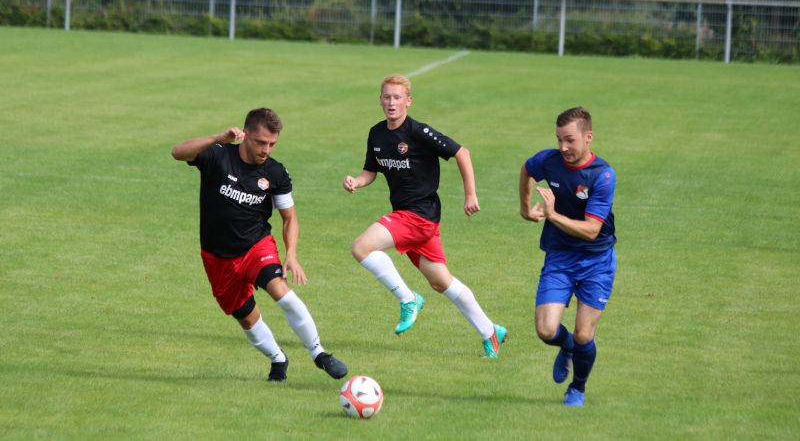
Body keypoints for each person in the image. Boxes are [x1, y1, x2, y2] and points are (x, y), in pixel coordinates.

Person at [171, 107, 347, 382]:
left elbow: (289, 218)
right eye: (261, 142)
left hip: (256, 246)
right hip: (217, 257)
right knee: (246, 317)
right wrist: (218, 137)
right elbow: (177, 151)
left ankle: (319, 354)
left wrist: (292, 254)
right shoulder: (218, 155)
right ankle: (278, 359)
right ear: (245, 135)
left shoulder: (275, 173)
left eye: (272, 144)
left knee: (281, 291)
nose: (267, 149)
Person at [342, 74, 506, 358]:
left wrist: (470, 194)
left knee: (361, 247)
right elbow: (371, 171)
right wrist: (357, 181)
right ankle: (490, 331)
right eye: (386, 97)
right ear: (380, 99)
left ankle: (409, 299)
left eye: (397, 97)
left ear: (408, 101)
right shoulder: (377, 133)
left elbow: (462, 153)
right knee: (441, 281)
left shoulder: (419, 132)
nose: (391, 102)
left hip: (419, 216)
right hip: (410, 218)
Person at [518, 106, 617, 407]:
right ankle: (567, 345)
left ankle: (578, 388)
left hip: (596, 262)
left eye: (570, 140)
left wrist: (552, 214)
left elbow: (590, 231)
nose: (563, 147)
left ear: (588, 137)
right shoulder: (549, 160)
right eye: (559, 139)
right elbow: (527, 169)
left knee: (585, 334)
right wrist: (525, 209)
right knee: (546, 330)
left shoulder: (602, 175)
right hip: (560, 257)